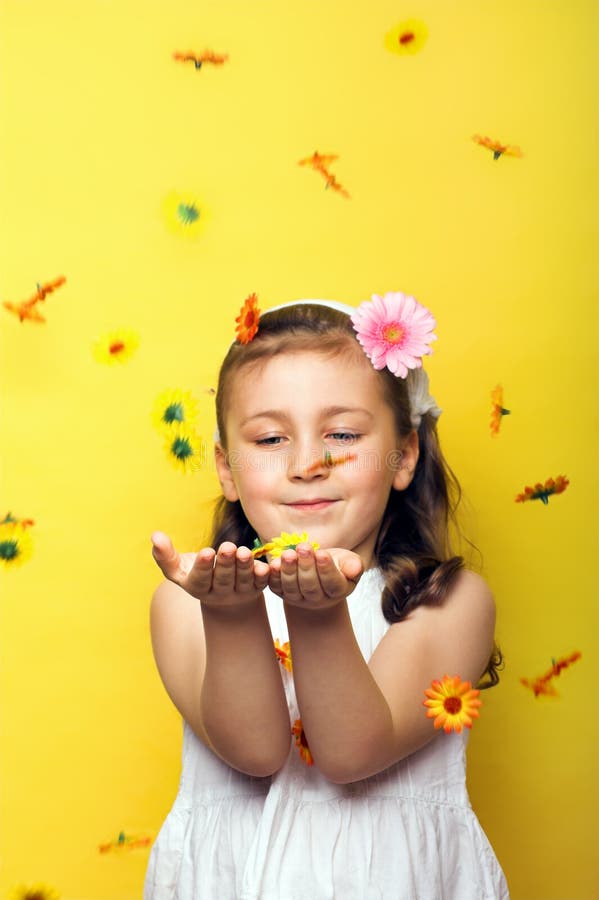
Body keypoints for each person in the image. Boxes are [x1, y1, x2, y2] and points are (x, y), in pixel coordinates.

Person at [144, 294, 509, 899]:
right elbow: (256, 752)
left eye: (341, 433)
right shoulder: (187, 605)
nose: (309, 462)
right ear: (226, 468)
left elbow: (350, 752)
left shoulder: (446, 602)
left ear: (405, 454)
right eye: (268, 440)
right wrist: (233, 615)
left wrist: (317, 615)